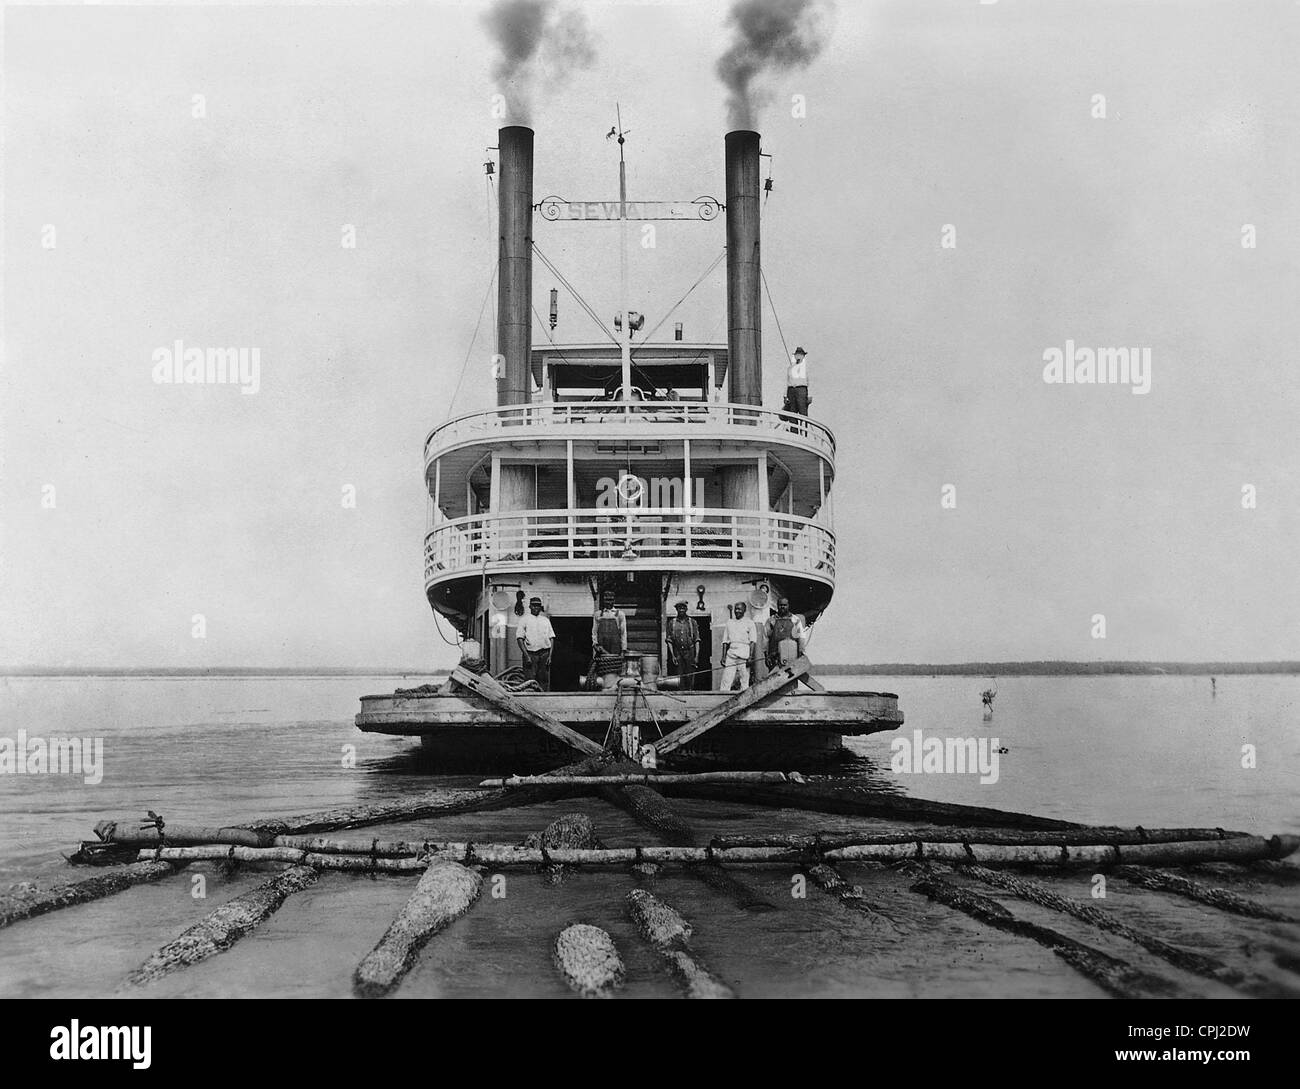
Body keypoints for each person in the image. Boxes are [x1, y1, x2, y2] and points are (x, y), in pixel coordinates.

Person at [516, 597, 555, 690]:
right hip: (530, 653)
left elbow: (552, 638)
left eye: (538, 605)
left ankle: (544, 700)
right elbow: (520, 638)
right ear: (530, 606)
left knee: (544, 679)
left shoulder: (545, 620)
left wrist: (550, 656)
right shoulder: (524, 619)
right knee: (530, 680)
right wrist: (526, 655)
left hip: (544, 653)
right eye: (534, 605)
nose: (536, 607)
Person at [719, 601, 758, 691]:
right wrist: (723, 657)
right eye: (736, 609)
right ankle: (722, 699)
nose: (737, 611)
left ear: (744, 610)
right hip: (731, 655)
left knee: (744, 681)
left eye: (739, 609)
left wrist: (750, 657)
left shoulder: (750, 623)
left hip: (744, 655)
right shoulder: (729, 622)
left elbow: (752, 641)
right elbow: (725, 641)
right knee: (726, 680)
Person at [764, 597, 808, 669]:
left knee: (792, 677)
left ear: (788, 605)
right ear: (777, 606)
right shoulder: (771, 620)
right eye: (780, 605)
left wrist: (801, 652)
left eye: (785, 605)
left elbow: (801, 637)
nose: (782, 607)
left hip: (792, 655)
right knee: (775, 678)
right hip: (775, 656)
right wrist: (766, 656)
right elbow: (765, 639)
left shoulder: (795, 620)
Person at [666, 600, 700, 691]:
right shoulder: (672, 623)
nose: (681, 609)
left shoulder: (692, 622)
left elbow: (697, 640)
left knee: (690, 675)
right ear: (676, 609)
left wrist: (696, 656)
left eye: (683, 607)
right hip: (678, 652)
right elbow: (669, 641)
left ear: (686, 609)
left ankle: (690, 693)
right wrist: (673, 655)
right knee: (679, 676)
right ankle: (681, 695)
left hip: (690, 651)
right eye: (679, 608)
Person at [591, 589, 628, 668]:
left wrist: (623, 650)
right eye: (606, 600)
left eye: (610, 600)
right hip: (602, 648)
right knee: (602, 670)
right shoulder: (598, 614)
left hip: (615, 648)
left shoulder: (620, 614)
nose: (608, 602)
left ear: (614, 601)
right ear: (603, 601)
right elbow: (594, 632)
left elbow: (623, 633)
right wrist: (595, 644)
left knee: (615, 669)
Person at [784, 347, 810, 417]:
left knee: (802, 411)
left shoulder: (806, 367)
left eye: (801, 355)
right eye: (797, 355)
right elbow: (787, 381)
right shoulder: (790, 368)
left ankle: (802, 427)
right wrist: (785, 395)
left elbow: (810, 381)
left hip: (801, 390)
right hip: (791, 390)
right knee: (792, 411)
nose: (799, 357)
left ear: (803, 356)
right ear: (795, 356)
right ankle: (793, 428)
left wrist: (810, 395)